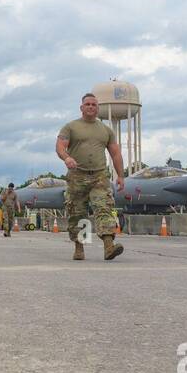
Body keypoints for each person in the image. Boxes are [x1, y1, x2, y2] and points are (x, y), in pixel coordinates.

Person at [56, 93, 125, 261]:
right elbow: (60, 146)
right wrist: (67, 158)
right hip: (77, 176)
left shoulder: (106, 130)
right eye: (87, 104)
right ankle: (79, 248)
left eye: (94, 105)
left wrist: (121, 176)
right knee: (77, 212)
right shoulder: (71, 127)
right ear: (81, 107)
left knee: (104, 208)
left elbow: (116, 154)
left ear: (98, 108)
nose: (91, 107)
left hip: (100, 176)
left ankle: (109, 247)